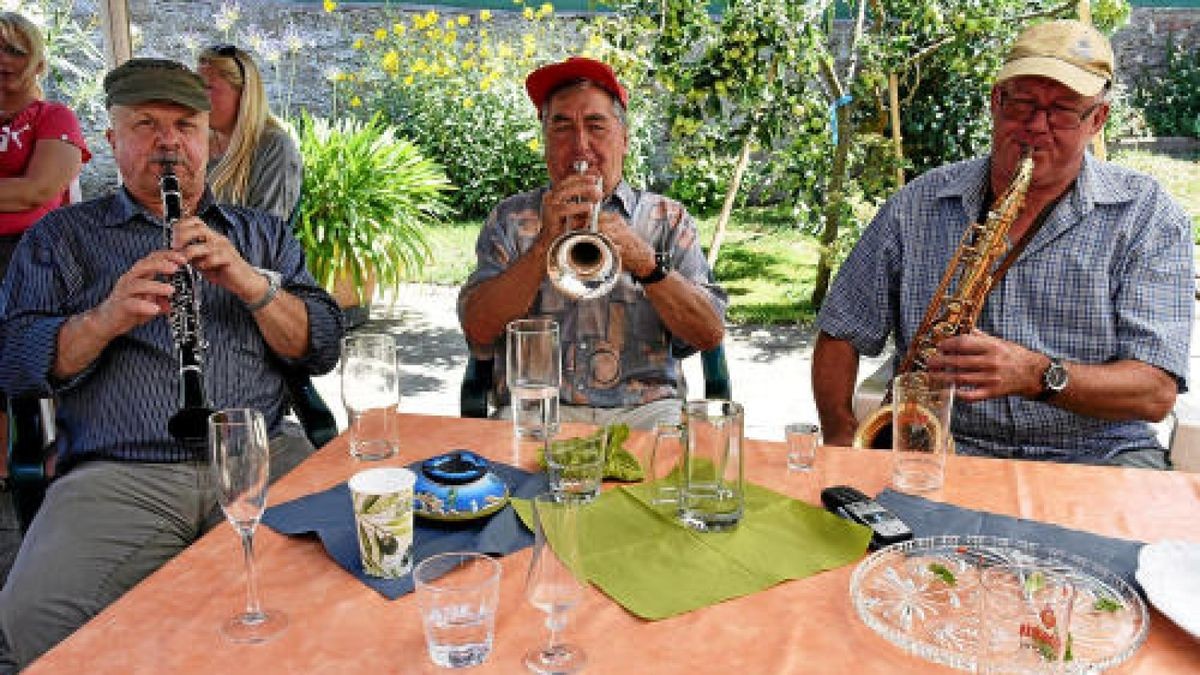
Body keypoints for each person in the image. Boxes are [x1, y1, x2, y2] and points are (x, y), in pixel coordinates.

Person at [0, 58, 342, 667]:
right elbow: (15, 364)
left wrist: (249, 283)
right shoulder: (61, 239)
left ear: (209, 140)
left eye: (185, 124)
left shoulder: (261, 234)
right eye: (145, 124)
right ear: (111, 141)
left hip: (259, 456)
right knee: (35, 615)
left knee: (339, 590)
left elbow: (321, 345)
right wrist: (104, 319)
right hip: (119, 473)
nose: (167, 141)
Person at [812, 20, 1193, 468]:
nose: (1036, 126)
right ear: (996, 101)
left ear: (1098, 119)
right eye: (1023, 104)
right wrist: (839, 433)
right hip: (942, 448)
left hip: (1100, 454)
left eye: (1064, 110)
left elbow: (1154, 392)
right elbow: (840, 331)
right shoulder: (917, 204)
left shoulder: (1147, 215)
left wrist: (1036, 375)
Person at [458, 56, 726, 428]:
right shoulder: (510, 218)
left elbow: (709, 332)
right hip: (537, 408)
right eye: (562, 127)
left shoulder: (668, 218)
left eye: (596, 126)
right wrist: (543, 246)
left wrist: (648, 264)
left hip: (647, 412)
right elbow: (478, 330)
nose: (580, 145)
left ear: (624, 139)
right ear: (546, 141)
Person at [0, 11, 90, 471]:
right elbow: (21, 193)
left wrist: (24, 194)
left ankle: (36, 459)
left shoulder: (54, 117)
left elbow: (39, 192)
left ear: (37, 62)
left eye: (16, 49)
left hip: (33, 255)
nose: (4, 59)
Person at [197, 44, 301, 221]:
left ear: (243, 94)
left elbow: (268, 234)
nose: (197, 96)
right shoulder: (197, 141)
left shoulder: (274, 148)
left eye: (207, 88)